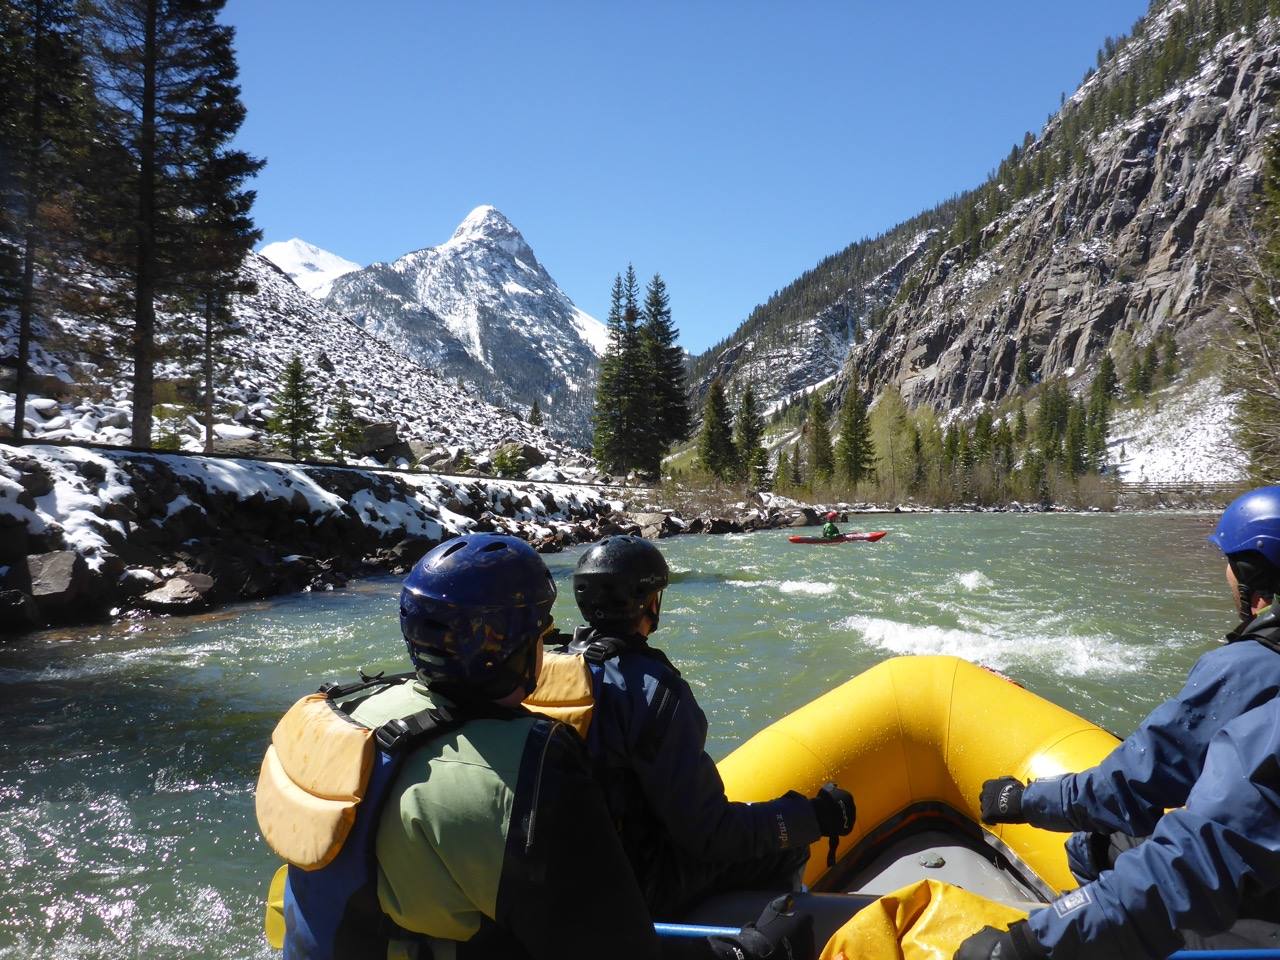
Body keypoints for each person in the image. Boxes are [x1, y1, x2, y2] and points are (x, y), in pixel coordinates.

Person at [267, 533, 815, 960]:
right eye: (538, 633)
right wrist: (748, 951)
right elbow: (617, 949)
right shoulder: (533, 768)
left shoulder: (356, 705)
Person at [955, 486, 1280, 958]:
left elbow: (1149, 800)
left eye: (1230, 562)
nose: (1225, 574)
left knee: (1093, 846)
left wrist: (1029, 944)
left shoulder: (1248, 670)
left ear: (1253, 576)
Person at [556, 534, 856, 917]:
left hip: (557, 881)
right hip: (630, 891)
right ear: (649, 601)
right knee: (786, 847)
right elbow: (710, 835)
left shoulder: (548, 668)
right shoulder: (654, 690)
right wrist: (812, 818)